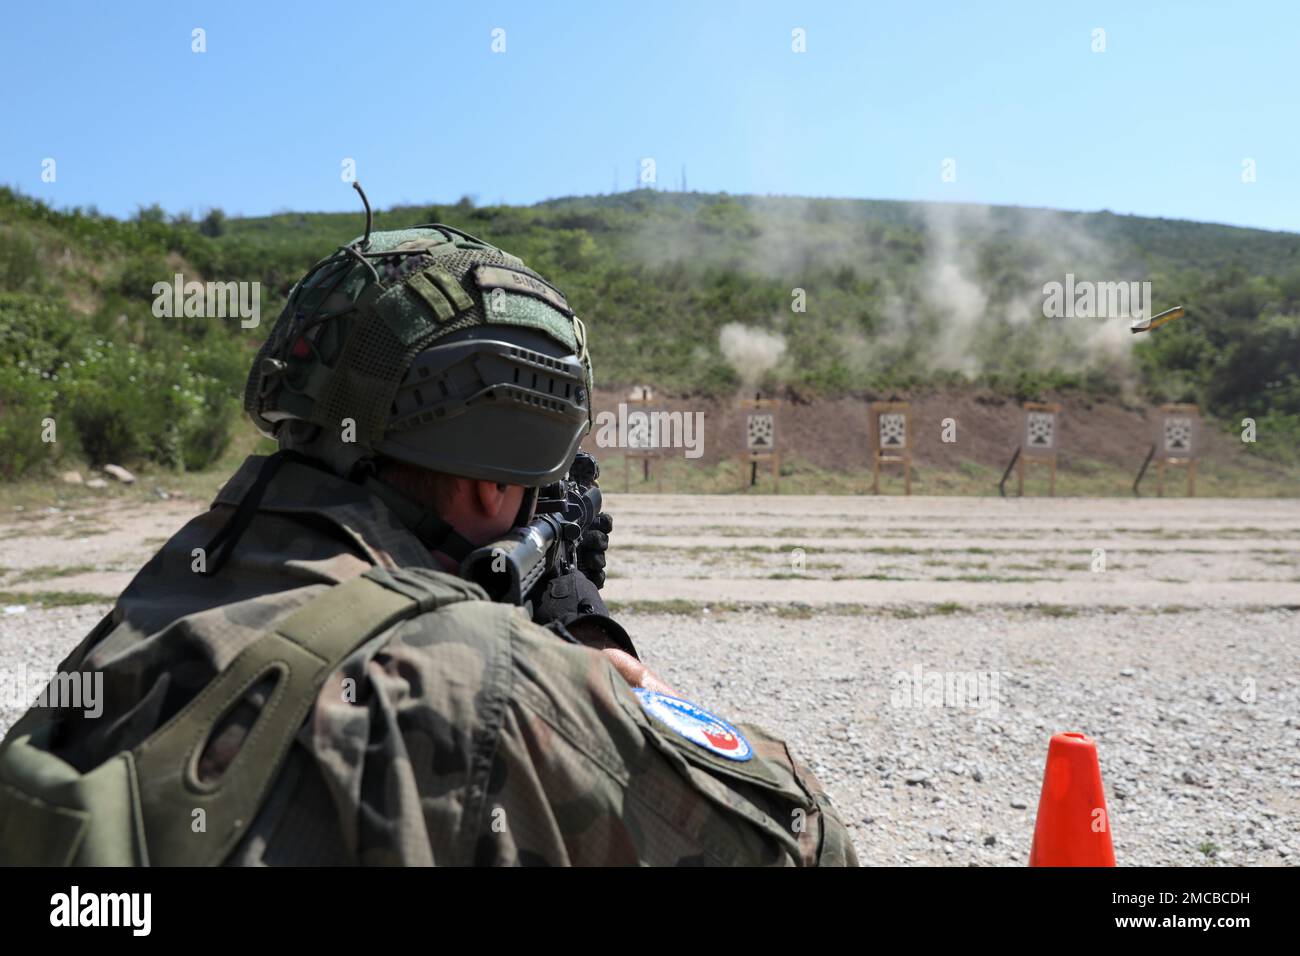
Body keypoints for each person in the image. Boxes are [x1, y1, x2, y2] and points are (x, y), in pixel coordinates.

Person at [0, 215, 858, 866]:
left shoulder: (182, 577)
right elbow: (804, 841)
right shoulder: (476, 672)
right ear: (494, 478)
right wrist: (587, 660)